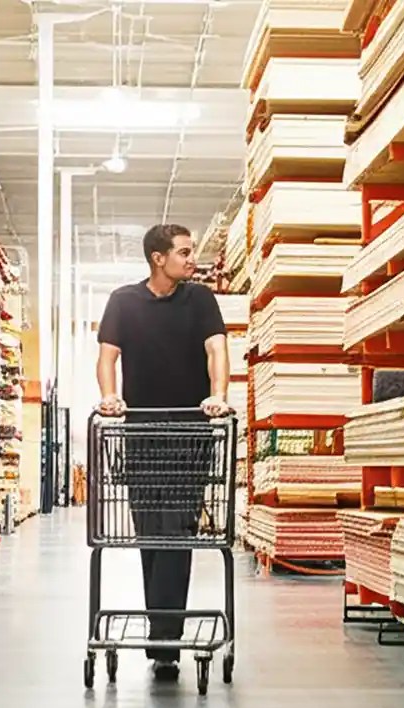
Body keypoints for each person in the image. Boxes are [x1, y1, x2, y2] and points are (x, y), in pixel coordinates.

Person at [95, 223, 231, 681]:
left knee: (176, 530)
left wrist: (218, 394)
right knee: (148, 533)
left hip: (190, 435)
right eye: (185, 252)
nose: (193, 259)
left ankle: (166, 643)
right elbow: (107, 356)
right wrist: (110, 397)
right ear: (159, 258)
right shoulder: (123, 302)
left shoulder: (201, 301)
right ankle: (162, 632)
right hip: (139, 435)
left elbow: (217, 349)